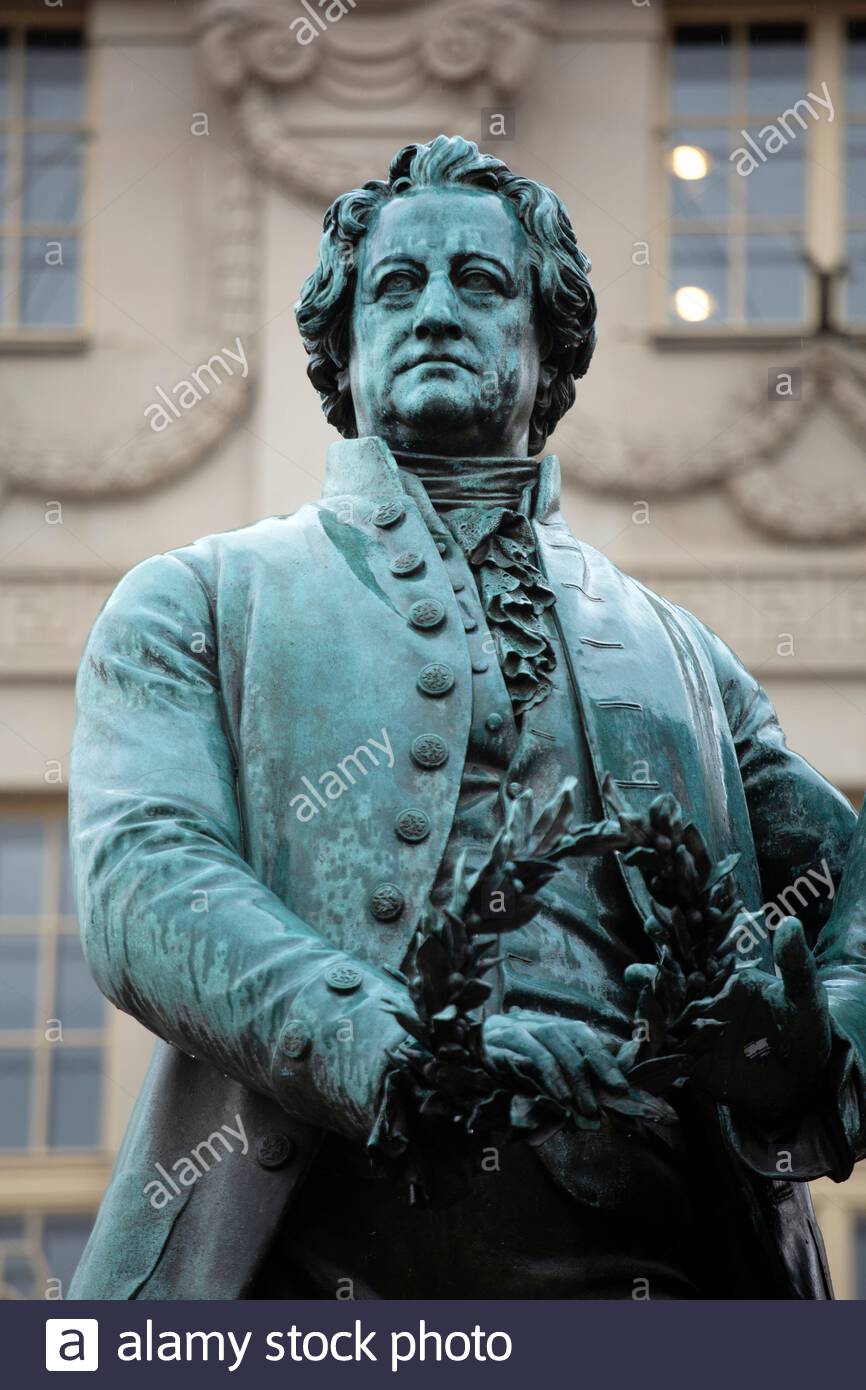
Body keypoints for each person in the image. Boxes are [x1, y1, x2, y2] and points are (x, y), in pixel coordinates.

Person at [68, 137, 858, 1300]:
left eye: (480, 284)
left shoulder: (685, 658)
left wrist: (803, 1041)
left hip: (676, 1279)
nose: (435, 309)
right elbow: (142, 877)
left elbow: (847, 904)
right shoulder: (201, 601)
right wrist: (388, 1040)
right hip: (305, 1280)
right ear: (343, 345)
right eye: (397, 286)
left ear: (548, 349)